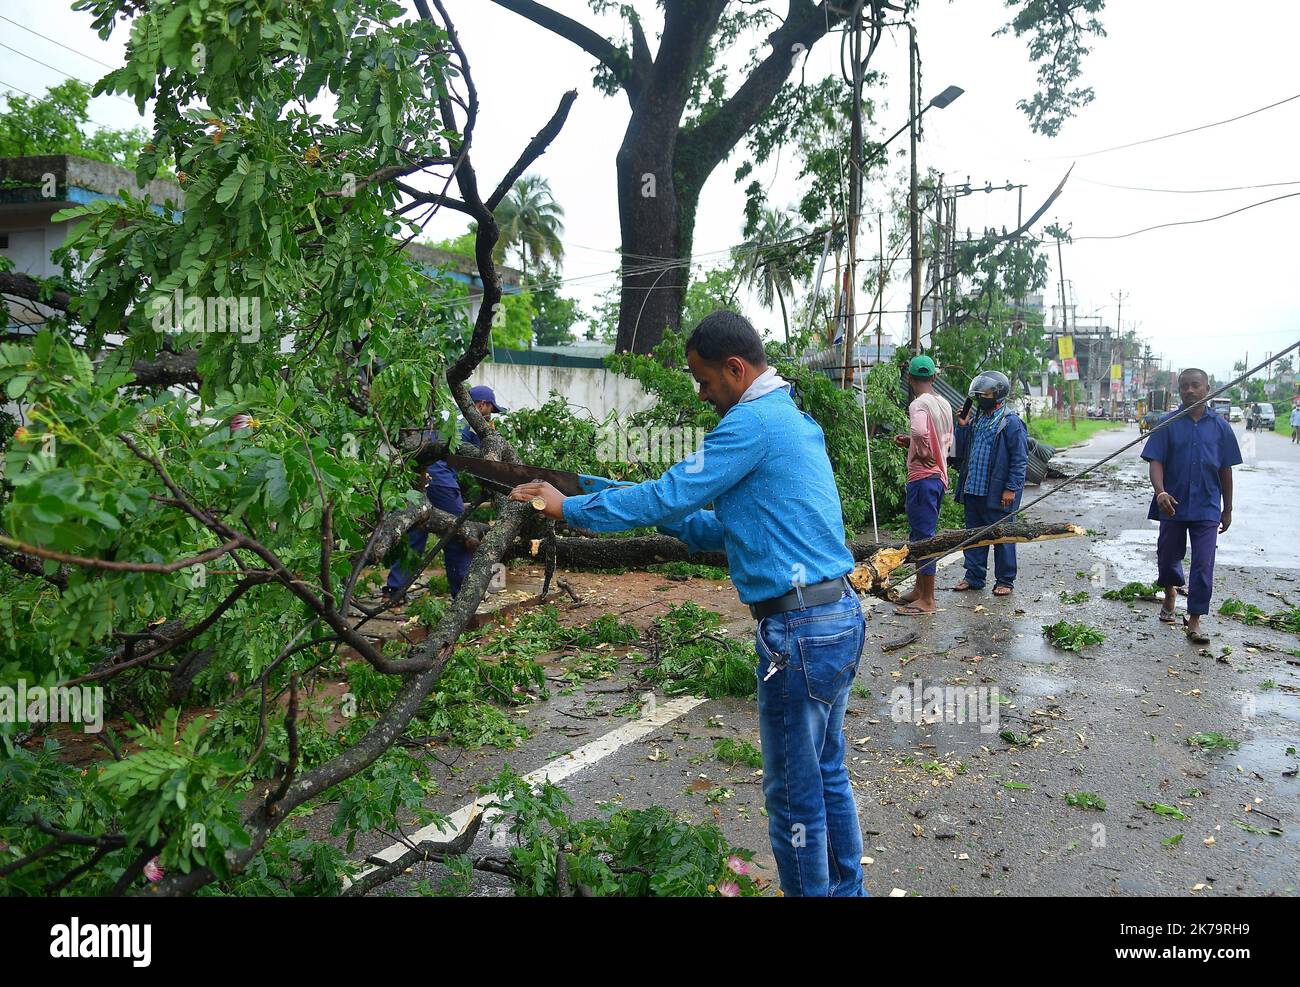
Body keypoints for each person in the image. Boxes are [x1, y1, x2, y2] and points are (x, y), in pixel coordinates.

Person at [508, 311, 867, 898]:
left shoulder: (750, 423)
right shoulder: (791, 421)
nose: (702, 397)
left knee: (794, 794)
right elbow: (723, 528)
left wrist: (569, 511)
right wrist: (596, 490)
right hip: (837, 617)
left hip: (798, 632)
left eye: (704, 381)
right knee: (826, 776)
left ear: (735, 367)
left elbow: (669, 494)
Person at [1141, 368, 1241, 644]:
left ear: (1207, 389)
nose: (1189, 391)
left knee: (1203, 564)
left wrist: (1228, 508)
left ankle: (1195, 620)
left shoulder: (1220, 427)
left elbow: (1226, 470)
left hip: (1207, 505)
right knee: (1168, 555)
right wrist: (1160, 491)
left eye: (1195, 386)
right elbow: (1155, 461)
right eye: (1184, 386)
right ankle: (1171, 590)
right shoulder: (1166, 423)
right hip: (1172, 503)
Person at [383, 385, 505, 604]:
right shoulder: (471, 420)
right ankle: (463, 597)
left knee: (416, 527)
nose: (490, 416)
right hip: (440, 478)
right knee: (459, 532)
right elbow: (484, 463)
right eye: (490, 410)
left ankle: (394, 590)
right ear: (481, 405)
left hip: (416, 473)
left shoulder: (446, 412)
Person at [951, 371, 1028, 597]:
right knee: (974, 536)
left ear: (998, 394)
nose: (981, 396)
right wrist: (963, 426)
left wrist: (1011, 488)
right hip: (974, 488)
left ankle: (1005, 580)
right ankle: (974, 577)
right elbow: (962, 452)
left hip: (997, 491)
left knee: (1003, 536)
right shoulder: (977, 419)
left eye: (986, 393)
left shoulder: (1011, 423)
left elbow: (1020, 459)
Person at [893, 354, 953, 615]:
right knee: (920, 535)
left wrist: (921, 449)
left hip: (923, 477)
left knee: (924, 538)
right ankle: (919, 590)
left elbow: (921, 432)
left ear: (910, 378)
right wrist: (913, 443)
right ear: (935, 377)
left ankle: (927, 599)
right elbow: (944, 437)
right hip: (938, 477)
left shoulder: (919, 404)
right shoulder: (944, 404)